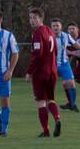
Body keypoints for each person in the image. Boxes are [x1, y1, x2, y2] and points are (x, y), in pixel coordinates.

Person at [24, 7, 62, 138]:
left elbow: (37, 54)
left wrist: (29, 72)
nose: (32, 20)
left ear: (41, 18)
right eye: (30, 18)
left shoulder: (38, 33)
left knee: (41, 102)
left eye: (34, 18)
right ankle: (57, 118)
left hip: (41, 72)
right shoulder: (50, 31)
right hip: (52, 71)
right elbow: (56, 49)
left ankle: (46, 131)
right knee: (51, 100)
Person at [51, 18, 79, 112]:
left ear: (61, 27)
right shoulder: (48, 37)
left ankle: (73, 104)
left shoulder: (66, 36)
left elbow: (75, 44)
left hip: (64, 64)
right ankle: (48, 106)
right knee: (49, 86)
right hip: (52, 65)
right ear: (51, 27)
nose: (55, 27)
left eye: (57, 25)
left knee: (71, 83)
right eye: (53, 26)